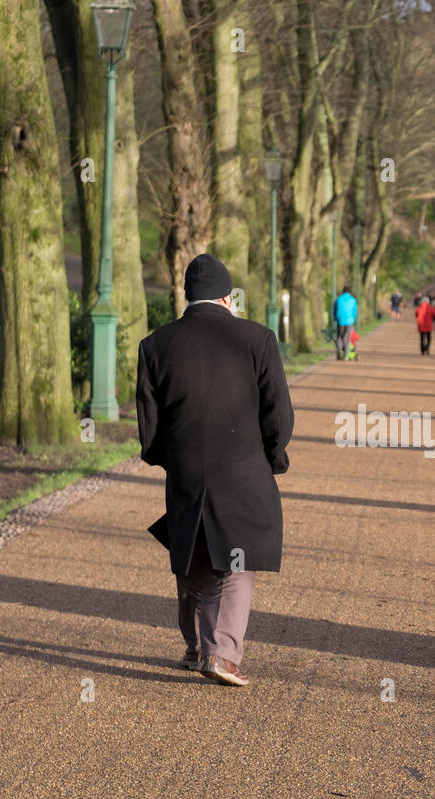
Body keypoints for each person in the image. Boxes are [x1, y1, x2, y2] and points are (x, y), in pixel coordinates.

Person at [136, 253, 294, 687]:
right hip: (242, 465)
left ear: (188, 297)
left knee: (192, 555)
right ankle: (221, 655)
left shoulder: (154, 345)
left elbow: (149, 429)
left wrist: (170, 459)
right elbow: (277, 413)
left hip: (186, 469)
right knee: (236, 561)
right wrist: (272, 457)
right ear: (229, 297)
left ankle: (194, 646)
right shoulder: (257, 340)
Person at [334, 285, 358, 360]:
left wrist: (336, 318)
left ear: (343, 291)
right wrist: (353, 319)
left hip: (340, 320)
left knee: (339, 337)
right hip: (349, 321)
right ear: (350, 292)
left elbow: (334, 310)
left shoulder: (338, 299)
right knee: (347, 338)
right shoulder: (353, 300)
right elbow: (354, 311)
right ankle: (346, 355)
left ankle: (338, 352)